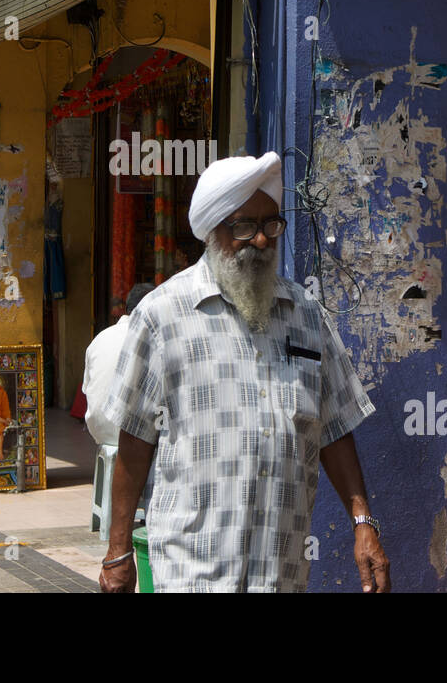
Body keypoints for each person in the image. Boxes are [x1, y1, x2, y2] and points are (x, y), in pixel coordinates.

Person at [99, 152, 390, 593]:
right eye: (243, 227)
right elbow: (135, 442)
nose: (260, 239)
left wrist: (363, 522)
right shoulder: (163, 317)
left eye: (270, 225)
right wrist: (118, 551)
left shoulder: (307, 315)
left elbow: (334, 429)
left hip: (280, 571)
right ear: (212, 230)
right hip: (194, 571)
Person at [82, 282, 154, 448]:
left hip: (99, 431)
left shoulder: (100, 338)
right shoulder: (152, 337)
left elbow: (87, 389)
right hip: (133, 437)